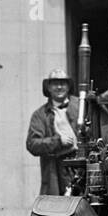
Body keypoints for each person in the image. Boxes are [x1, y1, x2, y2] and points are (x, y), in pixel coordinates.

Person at [26, 67, 82, 195]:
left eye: (63, 83)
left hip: (81, 167)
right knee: (56, 208)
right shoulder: (40, 115)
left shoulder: (81, 106)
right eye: (55, 84)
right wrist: (57, 141)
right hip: (56, 172)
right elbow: (32, 144)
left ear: (68, 86)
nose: (59, 87)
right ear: (48, 88)